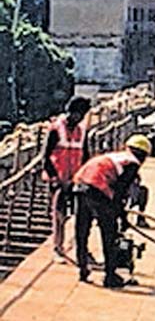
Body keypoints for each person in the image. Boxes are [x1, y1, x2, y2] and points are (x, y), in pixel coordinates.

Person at [73, 134, 151, 288]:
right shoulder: (132, 163)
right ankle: (110, 275)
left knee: (82, 231)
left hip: (80, 184)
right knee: (109, 233)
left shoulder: (116, 156)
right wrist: (121, 215)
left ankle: (83, 269)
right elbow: (120, 190)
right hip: (98, 188)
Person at [42, 96, 91, 263]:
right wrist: (55, 178)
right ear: (70, 112)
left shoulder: (82, 131)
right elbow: (45, 157)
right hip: (58, 180)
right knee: (59, 215)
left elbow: (85, 156)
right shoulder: (56, 129)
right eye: (77, 114)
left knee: (82, 215)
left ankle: (82, 249)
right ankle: (58, 248)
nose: (79, 118)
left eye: (82, 115)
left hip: (76, 179)